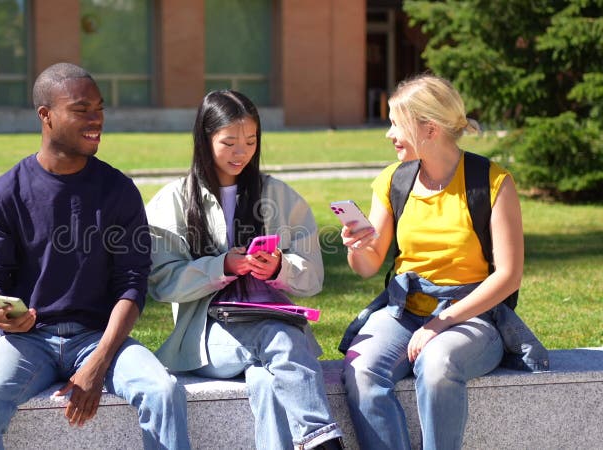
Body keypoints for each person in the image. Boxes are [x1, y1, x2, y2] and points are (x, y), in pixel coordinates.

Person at [0, 62, 191, 450]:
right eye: (81, 109)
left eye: (99, 108)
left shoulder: (118, 191)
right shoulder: (6, 194)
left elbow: (132, 287)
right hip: (28, 341)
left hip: (102, 338)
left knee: (164, 392)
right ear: (45, 116)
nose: (96, 118)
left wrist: (97, 364)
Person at [339, 74, 546, 450]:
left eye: (395, 123)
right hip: (404, 312)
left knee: (437, 365)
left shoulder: (493, 182)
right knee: (361, 368)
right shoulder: (392, 181)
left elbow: (509, 275)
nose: (388, 134)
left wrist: (440, 323)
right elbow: (368, 266)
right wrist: (357, 246)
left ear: (429, 129)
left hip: (473, 317)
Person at [145, 90, 344, 450]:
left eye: (251, 141)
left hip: (267, 328)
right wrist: (221, 266)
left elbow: (312, 277)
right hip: (207, 336)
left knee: (269, 383)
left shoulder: (279, 196)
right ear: (205, 140)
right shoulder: (172, 201)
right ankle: (324, 442)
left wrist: (279, 268)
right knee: (281, 339)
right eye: (229, 142)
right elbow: (162, 283)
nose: (242, 152)